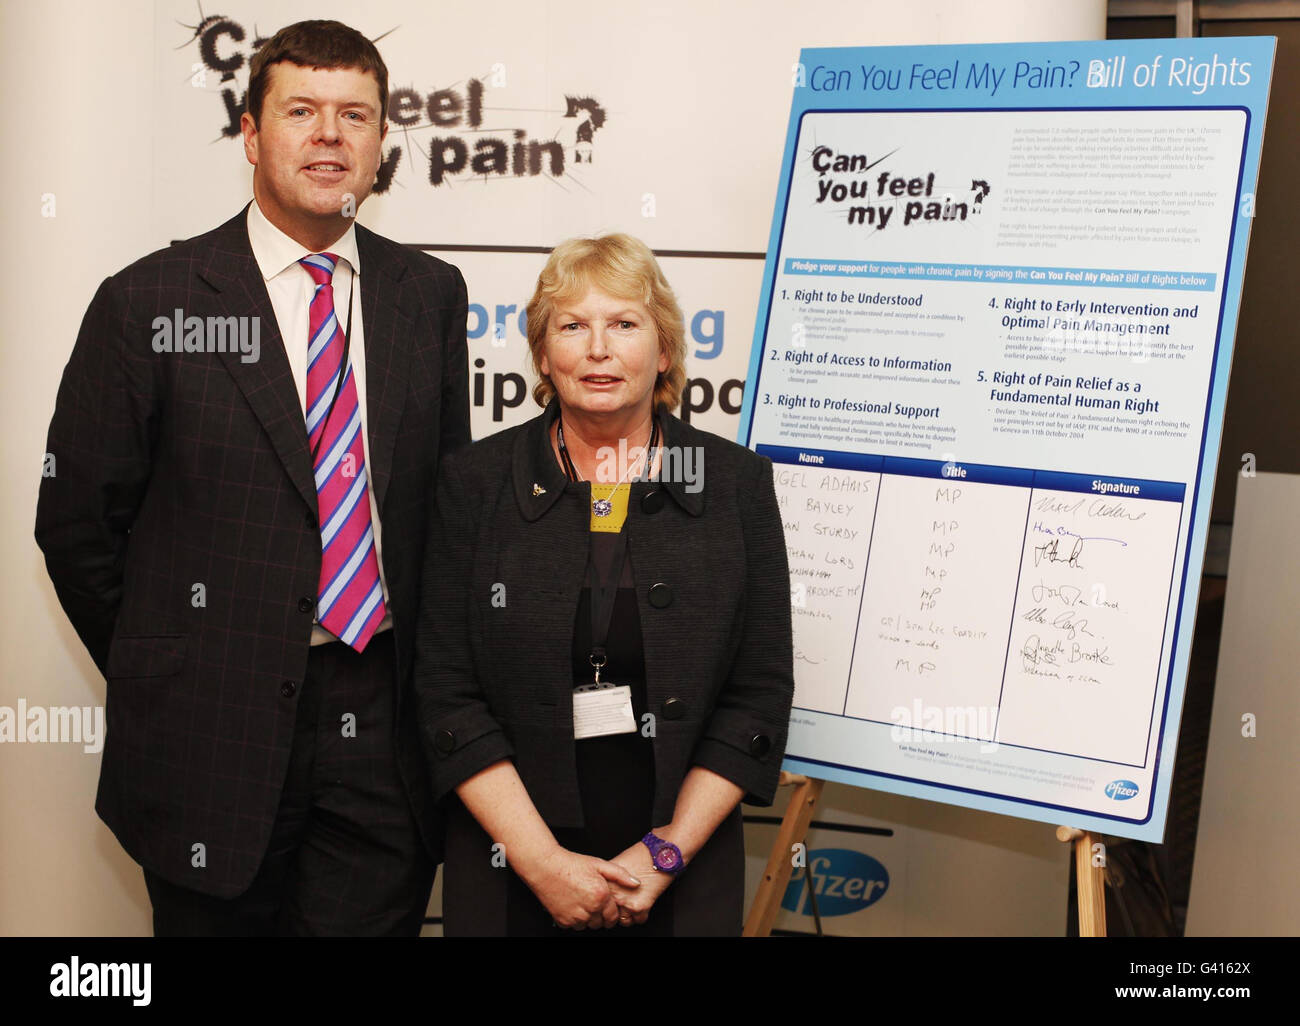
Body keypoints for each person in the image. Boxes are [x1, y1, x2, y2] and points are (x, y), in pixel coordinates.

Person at [34, 20, 470, 935]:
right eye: (302, 110)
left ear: (382, 141)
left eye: (356, 115)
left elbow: (442, 514)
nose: (329, 135)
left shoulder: (427, 295)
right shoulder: (151, 300)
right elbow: (78, 524)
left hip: (379, 726)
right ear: (249, 134)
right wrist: (176, 659)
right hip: (208, 730)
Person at [414, 234, 793, 935]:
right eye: (572, 325)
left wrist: (664, 854)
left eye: (624, 323)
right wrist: (543, 864)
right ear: (541, 355)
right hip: (512, 864)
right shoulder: (473, 485)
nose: (598, 348)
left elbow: (757, 697)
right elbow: (446, 694)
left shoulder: (735, 485)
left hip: (682, 863)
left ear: (666, 351)